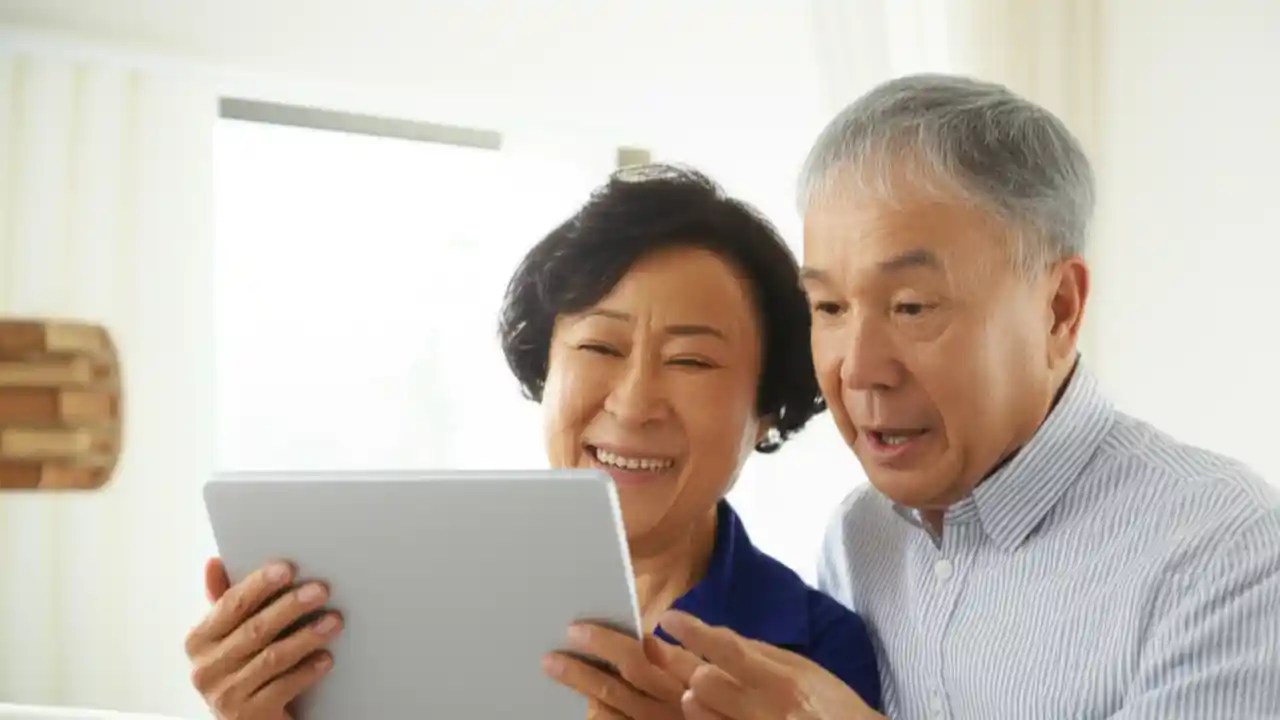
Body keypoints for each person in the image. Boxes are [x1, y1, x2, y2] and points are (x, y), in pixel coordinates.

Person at [654, 74, 1280, 719]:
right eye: (830, 307)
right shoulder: (860, 538)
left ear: (1059, 310)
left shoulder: (1226, 550)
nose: (860, 370)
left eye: (912, 306)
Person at [183, 164, 882, 718]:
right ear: (544, 373)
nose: (634, 403)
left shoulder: (820, 656)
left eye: (692, 360)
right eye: (599, 346)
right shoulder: (397, 605)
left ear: (765, 410)